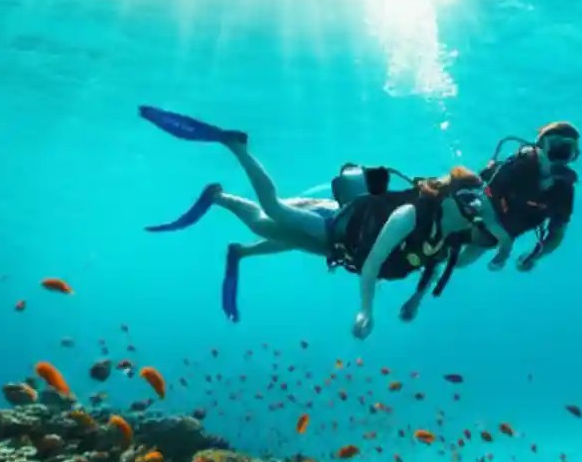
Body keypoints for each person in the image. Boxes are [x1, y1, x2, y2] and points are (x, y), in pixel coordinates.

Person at [138, 106, 500, 338]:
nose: (476, 215)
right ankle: (238, 147)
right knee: (273, 211)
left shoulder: (448, 240)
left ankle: (222, 206)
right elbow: (372, 265)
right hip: (333, 223)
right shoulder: (411, 216)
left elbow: (433, 267)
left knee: (269, 230)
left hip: (337, 245)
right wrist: (366, 310)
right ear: (450, 199)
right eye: (470, 203)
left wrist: (416, 301)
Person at [459, 121, 579, 272]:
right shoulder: (515, 168)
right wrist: (505, 246)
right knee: (461, 252)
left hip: (504, 231)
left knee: (462, 260)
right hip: (484, 218)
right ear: (541, 143)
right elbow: (485, 194)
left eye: (569, 148)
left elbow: (557, 232)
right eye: (557, 144)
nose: (562, 151)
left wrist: (534, 256)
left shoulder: (564, 190)